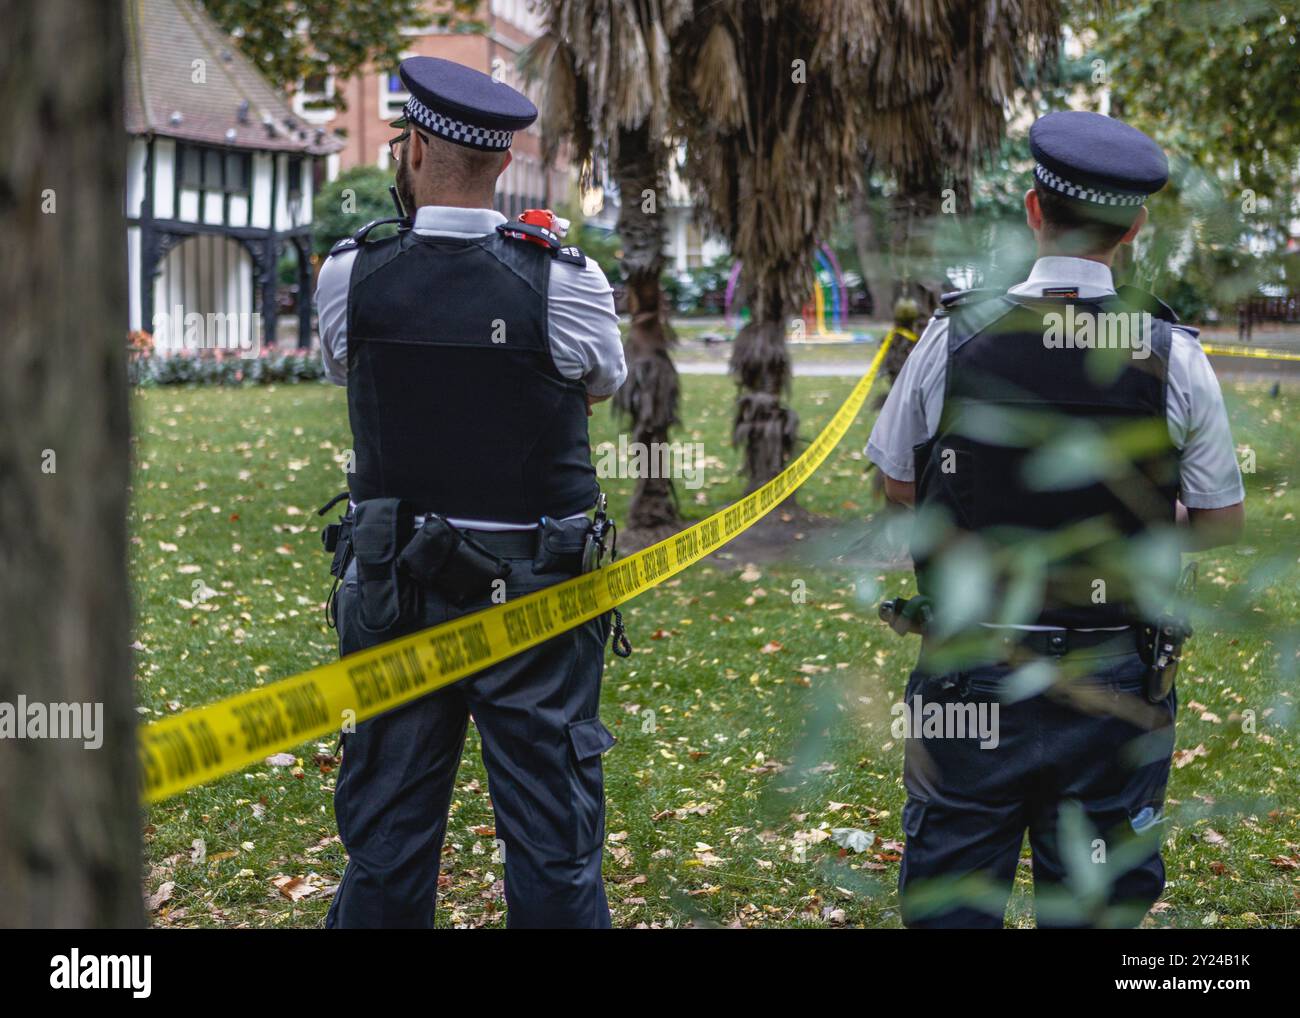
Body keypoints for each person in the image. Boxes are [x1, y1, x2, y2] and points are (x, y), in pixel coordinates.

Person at [866, 110, 1245, 928]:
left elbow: (900, 485)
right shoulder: (1170, 351)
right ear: (1135, 227)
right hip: (1114, 681)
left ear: (1033, 209)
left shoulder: (952, 336)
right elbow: (1218, 517)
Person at [313, 56, 627, 928]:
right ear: (501, 164)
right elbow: (600, 382)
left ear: (412, 150)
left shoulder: (351, 273)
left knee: (384, 844)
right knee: (554, 847)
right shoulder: (565, 278)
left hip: (394, 597)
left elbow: (345, 364)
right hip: (538, 601)